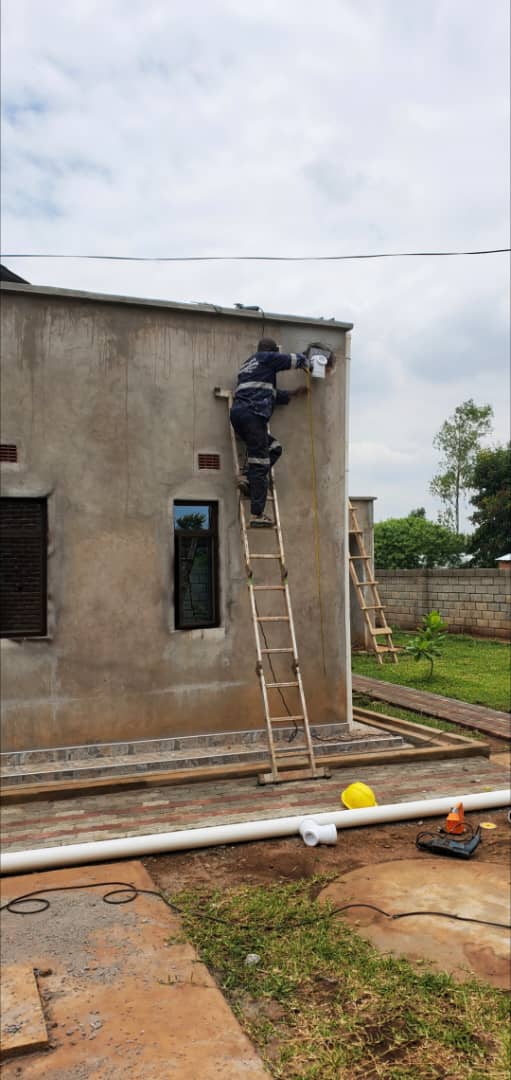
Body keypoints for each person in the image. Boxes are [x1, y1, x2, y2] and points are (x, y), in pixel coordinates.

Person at [230, 337, 310, 527]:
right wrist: (307, 359)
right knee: (261, 462)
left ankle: (250, 480)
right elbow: (291, 360)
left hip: (240, 415)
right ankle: (257, 515)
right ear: (271, 352)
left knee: (274, 448)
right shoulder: (265, 357)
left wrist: (293, 393)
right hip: (253, 415)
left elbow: (270, 394)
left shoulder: (249, 366)